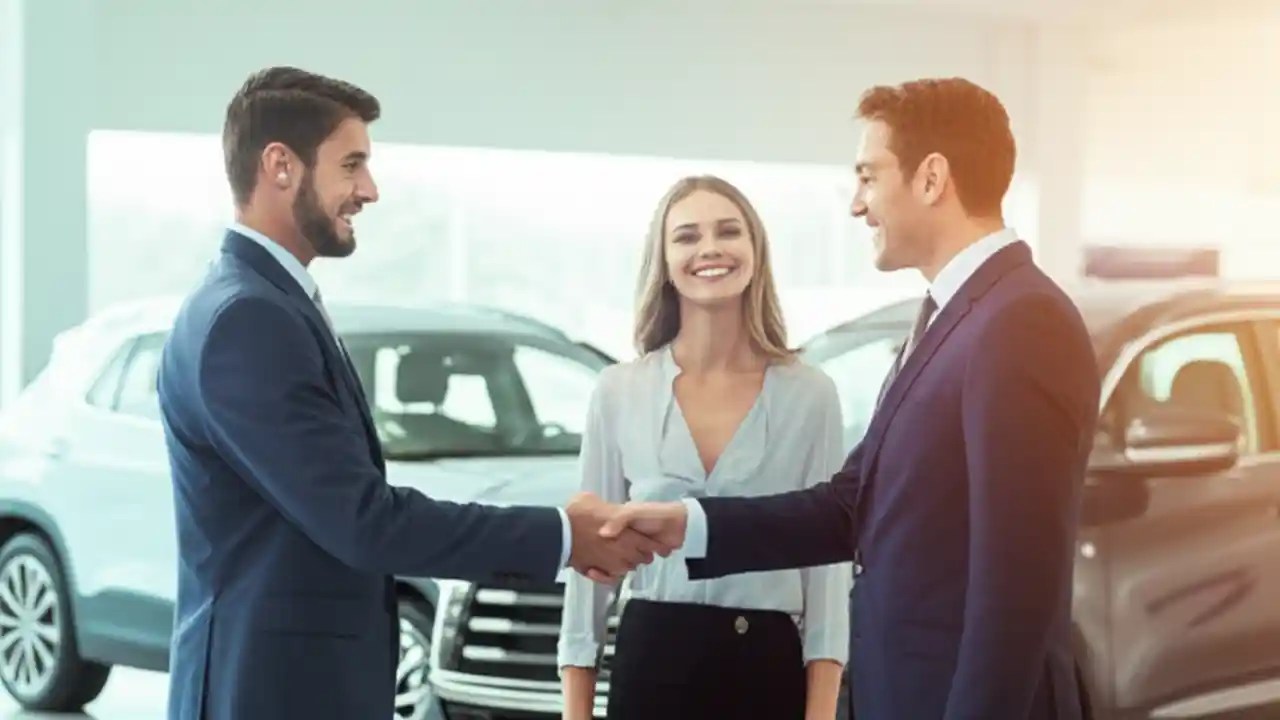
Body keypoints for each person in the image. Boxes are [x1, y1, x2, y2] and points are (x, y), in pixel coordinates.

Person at [156, 66, 669, 720]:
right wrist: (564, 538)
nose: (368, 189)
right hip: (268, 691)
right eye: (352, 165)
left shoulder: (264, 303)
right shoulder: (247, 320)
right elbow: (363, 522)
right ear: (280, 166)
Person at [598, 78, 1102, 720]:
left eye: (869, 177)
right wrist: (687, 523)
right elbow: (853, 505)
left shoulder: (1020, 322)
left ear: (931, 179)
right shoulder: (950, 319)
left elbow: (1018, 590)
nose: (858, 206)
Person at [558, 175, 850, 720]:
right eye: (687, 236)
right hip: (652, 668)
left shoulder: (811, 394)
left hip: (768, 672)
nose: (709, 248)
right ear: (664, 260)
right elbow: (589, 564)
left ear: (755, 251)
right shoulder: (619, 391)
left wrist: (823, 713)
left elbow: (829, 570)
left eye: (728, 231)